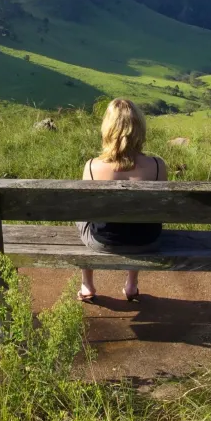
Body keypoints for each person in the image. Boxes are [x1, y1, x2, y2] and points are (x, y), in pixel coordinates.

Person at [76, 98, 167, 303]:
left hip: (103, 242)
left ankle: (87, 284)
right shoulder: (157, 165)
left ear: (108, 129)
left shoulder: (92, 166)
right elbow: (158, 209)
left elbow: (86, 209)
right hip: (148, 240)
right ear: (139, 129)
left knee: (82, 215)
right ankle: (131, 284)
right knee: (139, 218)